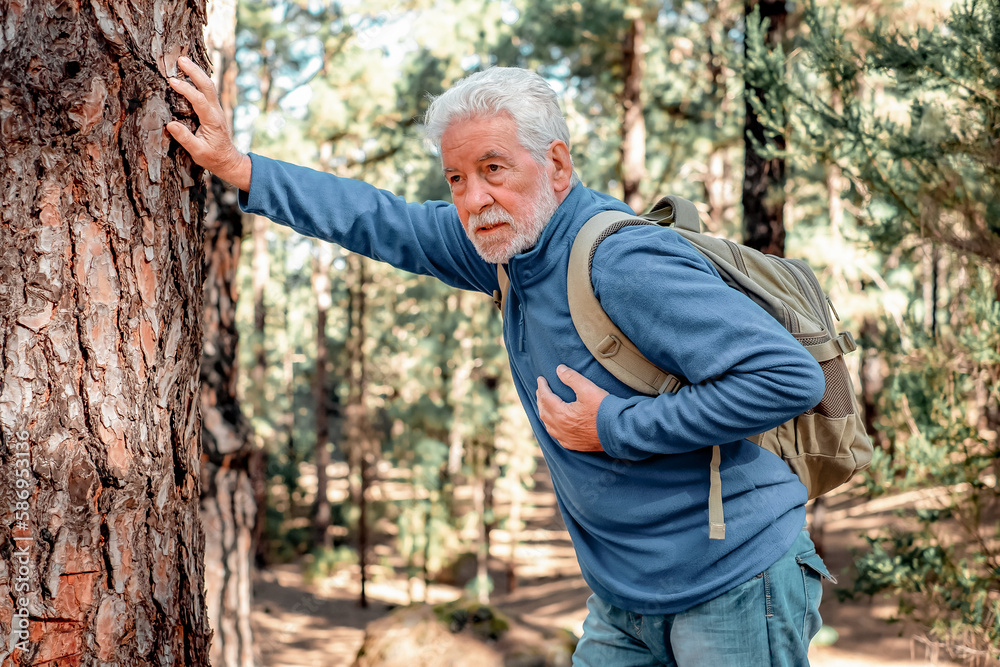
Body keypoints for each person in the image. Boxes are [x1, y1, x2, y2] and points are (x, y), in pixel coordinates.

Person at [167, 56, 833, 666]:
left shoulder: (621, 262)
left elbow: (787, 377)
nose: (473, 198)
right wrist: (238, 166)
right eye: (456, 178)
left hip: (736, 581)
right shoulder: (509, 248)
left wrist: (615, 427)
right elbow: (377, 219)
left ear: (558, 166)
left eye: (493, 169)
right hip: (627, 598)